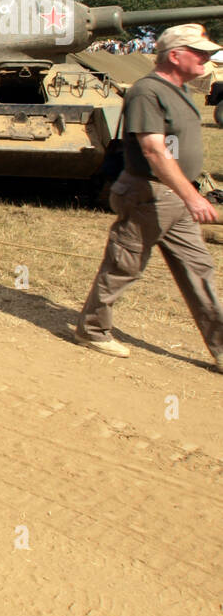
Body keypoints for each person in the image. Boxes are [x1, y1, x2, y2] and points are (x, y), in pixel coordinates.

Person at [76, 23, 223, 369]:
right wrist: (193, 197)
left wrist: (188, 192)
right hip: (148, 193)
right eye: (199, 53)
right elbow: (154, 150)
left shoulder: (180, 89)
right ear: (176, 56)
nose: (206, 59)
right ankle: (93, 329)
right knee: (124, 265)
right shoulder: (147, 91)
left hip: (175, 195)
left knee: (199, 269)